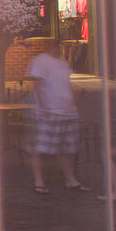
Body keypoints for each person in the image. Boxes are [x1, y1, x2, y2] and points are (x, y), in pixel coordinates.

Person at [26, 41, 89, 195]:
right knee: (42, 148)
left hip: (67, 112)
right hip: (51, 112)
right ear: (51, 47)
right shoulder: (41, 61)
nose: (60, 50)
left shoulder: (62, 63)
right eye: (58, 47)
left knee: (66, 149)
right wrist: (44, 107)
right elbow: (37, 86)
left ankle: (70, 180)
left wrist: (73, 105)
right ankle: (39, 181)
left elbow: (67, 84)